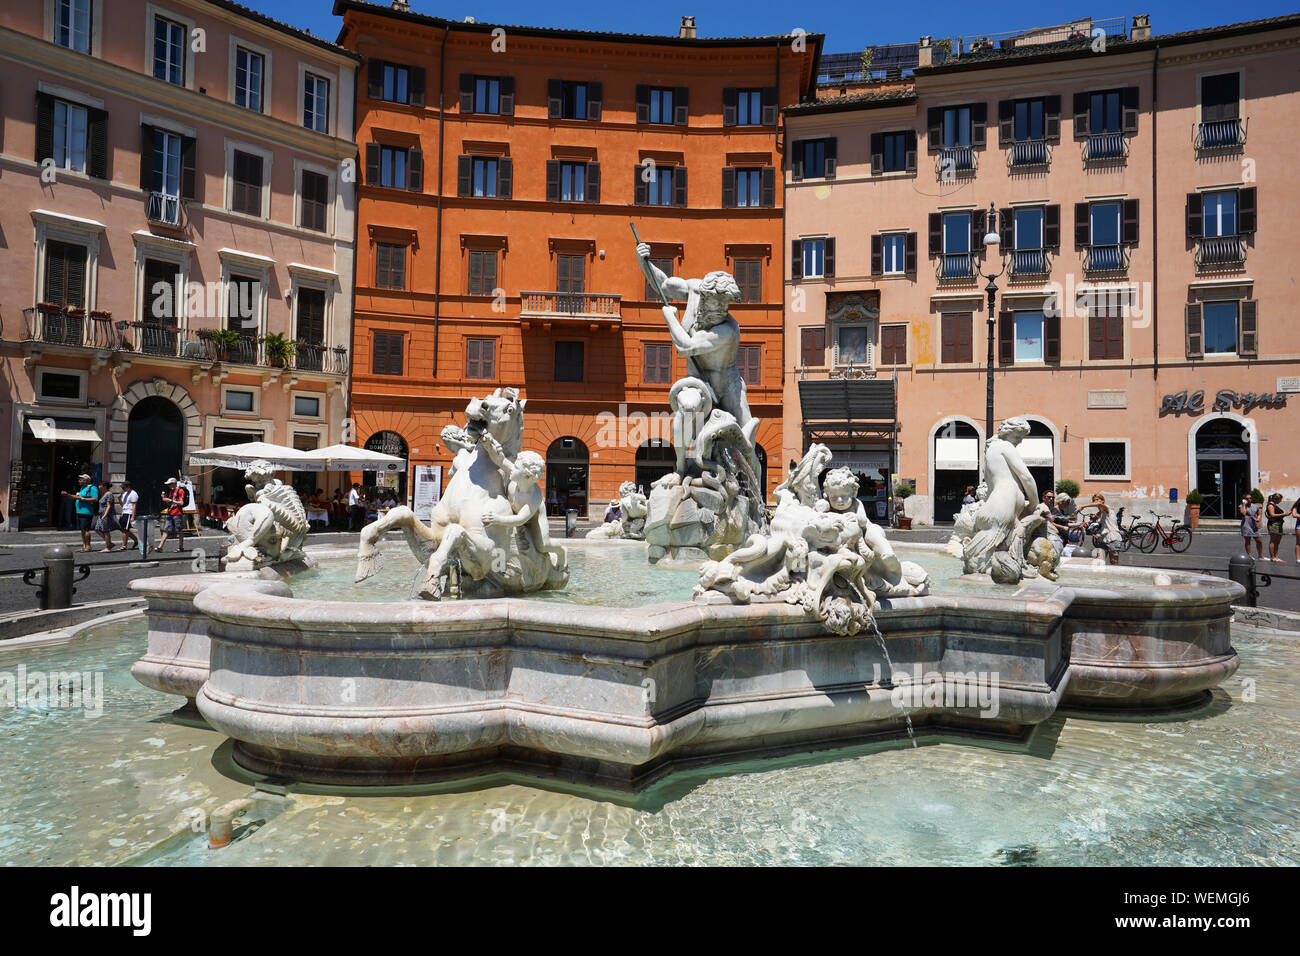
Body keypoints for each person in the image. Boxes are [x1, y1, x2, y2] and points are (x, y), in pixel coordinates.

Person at [60, 473, 99, 552]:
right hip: (80, 511)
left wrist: (83, 499)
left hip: (87, 511)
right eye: (79, 479)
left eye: (81, 479)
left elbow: (95, 499)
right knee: (82, 530)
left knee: (86, 529)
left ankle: (88, 546)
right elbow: (77, 497)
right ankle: (84, 546)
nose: (79, 481)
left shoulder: (92, 488)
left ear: (86, 480)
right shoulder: (82, 488)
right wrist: (68, 495)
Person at [1084, 493, 1123, 565]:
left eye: (1097, 500)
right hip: (1103, 539)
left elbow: (1100, 505)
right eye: (1094, 500)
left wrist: (1083, 506)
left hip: (1113, 538)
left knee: (1113, 562)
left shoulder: (1107, 508)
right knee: (1099, 561)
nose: (1095, 501)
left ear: (1102, 501)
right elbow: (1101, 526)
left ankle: (1113, 576)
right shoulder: (1099, 513)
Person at [157, 477, 187, 552]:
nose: (168, 486)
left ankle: (181, 547)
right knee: (166, 530)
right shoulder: (171, 491)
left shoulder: (180, 491)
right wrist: (165, 499)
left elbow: (181, 503)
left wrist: (170, 500)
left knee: (179, 530)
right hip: (170, 513)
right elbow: (170, 503)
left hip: (177, 513)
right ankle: (160, 547)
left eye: (170, 484)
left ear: (174, 484)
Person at [94, 481, 121, 551]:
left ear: (105, 486)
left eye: (100, 485)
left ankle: (108, 547)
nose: (99, 486)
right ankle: (110, 543)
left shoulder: (109, 494)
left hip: (106, 515)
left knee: (106, 530)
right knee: (97, 529)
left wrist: (105, 515)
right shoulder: (103, 494)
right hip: (101, 515)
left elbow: (109, 506)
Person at [119, 480, 140, 552]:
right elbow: (123, 505)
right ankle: (136, 540)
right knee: (123, 529)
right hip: (124, 512)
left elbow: (134, 506)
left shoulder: (133, 494)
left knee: (125, 530)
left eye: (124, 487)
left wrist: (133, 516)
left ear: (128, 487)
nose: (123, 489)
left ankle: (124, 545)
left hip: (129, 513)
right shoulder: (125, 494)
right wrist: (119, 498)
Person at [1239, 495, 1263, 559]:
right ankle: (1249, 556)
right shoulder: (1242, 506)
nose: (1249, 499)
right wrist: (1244, 504)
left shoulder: (1255, 506)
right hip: (1246, 524)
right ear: (1244, 499)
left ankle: (1261, 556)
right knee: (1248, 540)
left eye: (1250, 498)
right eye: (1247, 498)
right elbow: (1243, 513)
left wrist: (1258, 518)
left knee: (1259, 540)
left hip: (1254, 524)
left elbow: (1259, 513)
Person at [1265, 493, 1286, 563]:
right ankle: (1273, 557)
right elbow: (1272, 515)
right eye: (1280, 499)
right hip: (1273, 524)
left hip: (1279, 524)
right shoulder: (1270, 505)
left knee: (1277, 542)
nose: (1280, 501)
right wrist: (1283, 514)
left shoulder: (1274, 505)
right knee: (1273, 541)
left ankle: (1276, 557)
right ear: (1275, 499)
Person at [1292, 498, 1300, 564]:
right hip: (1299, 526)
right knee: (1298, 542)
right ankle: (1298, 559)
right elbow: (1294, 515)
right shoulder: (1296, 506)